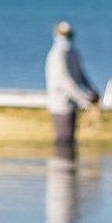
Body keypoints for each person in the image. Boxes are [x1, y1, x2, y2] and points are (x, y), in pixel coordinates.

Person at [45, 20, 98, 155]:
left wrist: (92, 90)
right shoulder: (56, 55)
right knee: (64, 141)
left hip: (73, 105)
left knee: (71, 142)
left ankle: (71, 174)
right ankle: (62, 172)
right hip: (61, 105)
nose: (66, 38)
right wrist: (83, 99)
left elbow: (81, 75)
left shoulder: (73, 53)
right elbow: (65, 82)